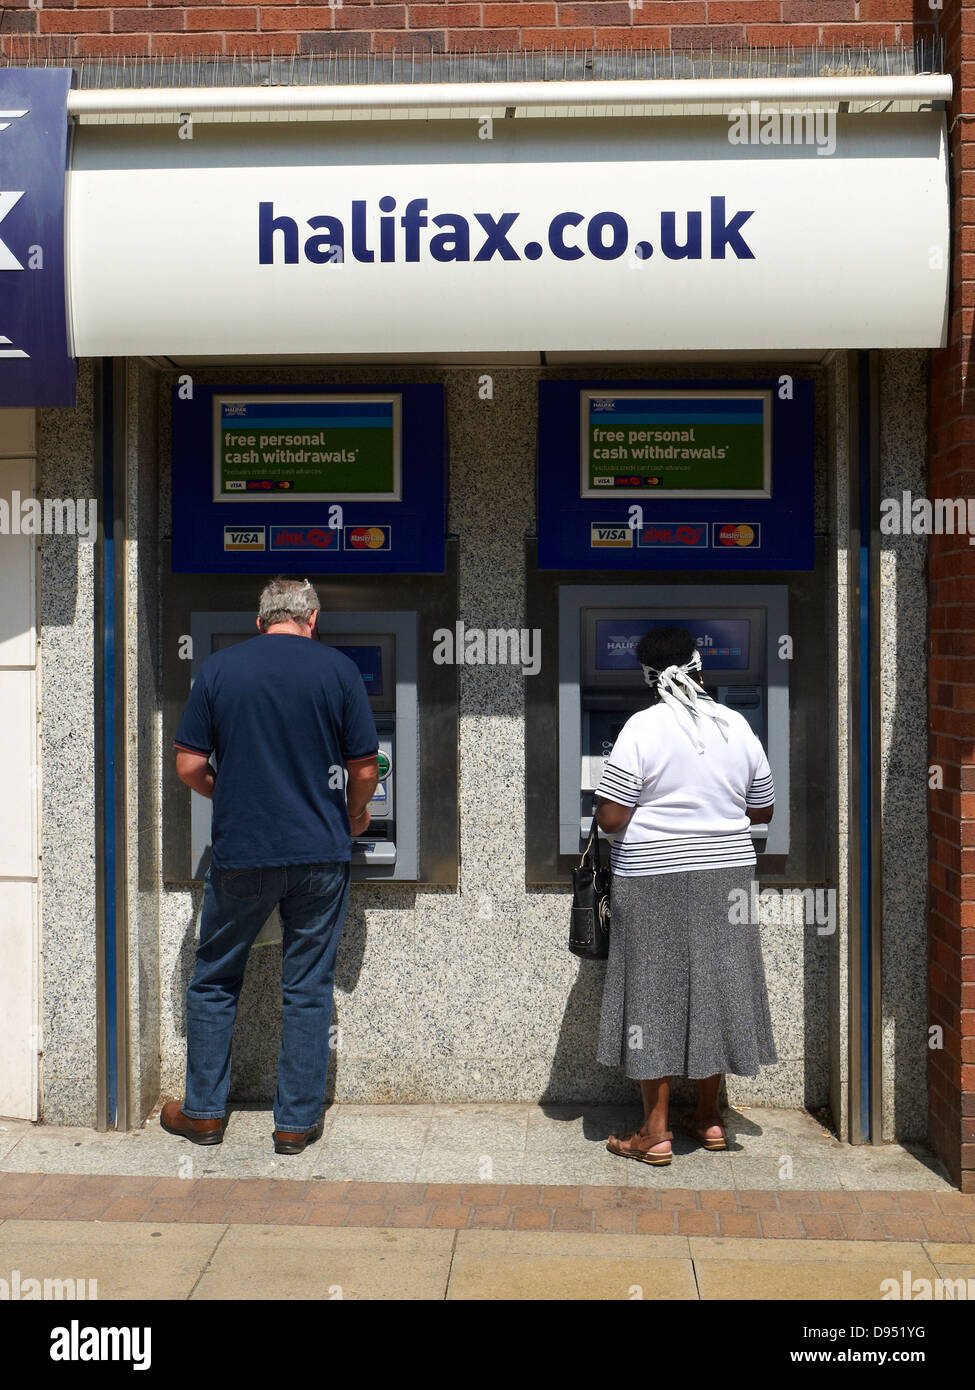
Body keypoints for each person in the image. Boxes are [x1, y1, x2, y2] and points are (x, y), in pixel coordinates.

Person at [161, 576, 379, 1155]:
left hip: (243, 851)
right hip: (319, 853)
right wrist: (353, 816)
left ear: (260, 621)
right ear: (312, 620)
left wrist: (231, 792)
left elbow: (187, 767)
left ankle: (204, 1114)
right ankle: (294, 1124)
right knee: (307, 985)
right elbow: (364, 769)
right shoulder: (339, 671)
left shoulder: (219, 670)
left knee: (214, 980)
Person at [594, 626, 777, 1166]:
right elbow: (763, 808)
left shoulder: (642, 727)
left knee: (652, 991)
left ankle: (655, 1133)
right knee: (718, 983)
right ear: (700, 668)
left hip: (653, 874)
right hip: (727, 874)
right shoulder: (735, 723)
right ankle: (712, 1118)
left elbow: (610, 817)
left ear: (649, 677)